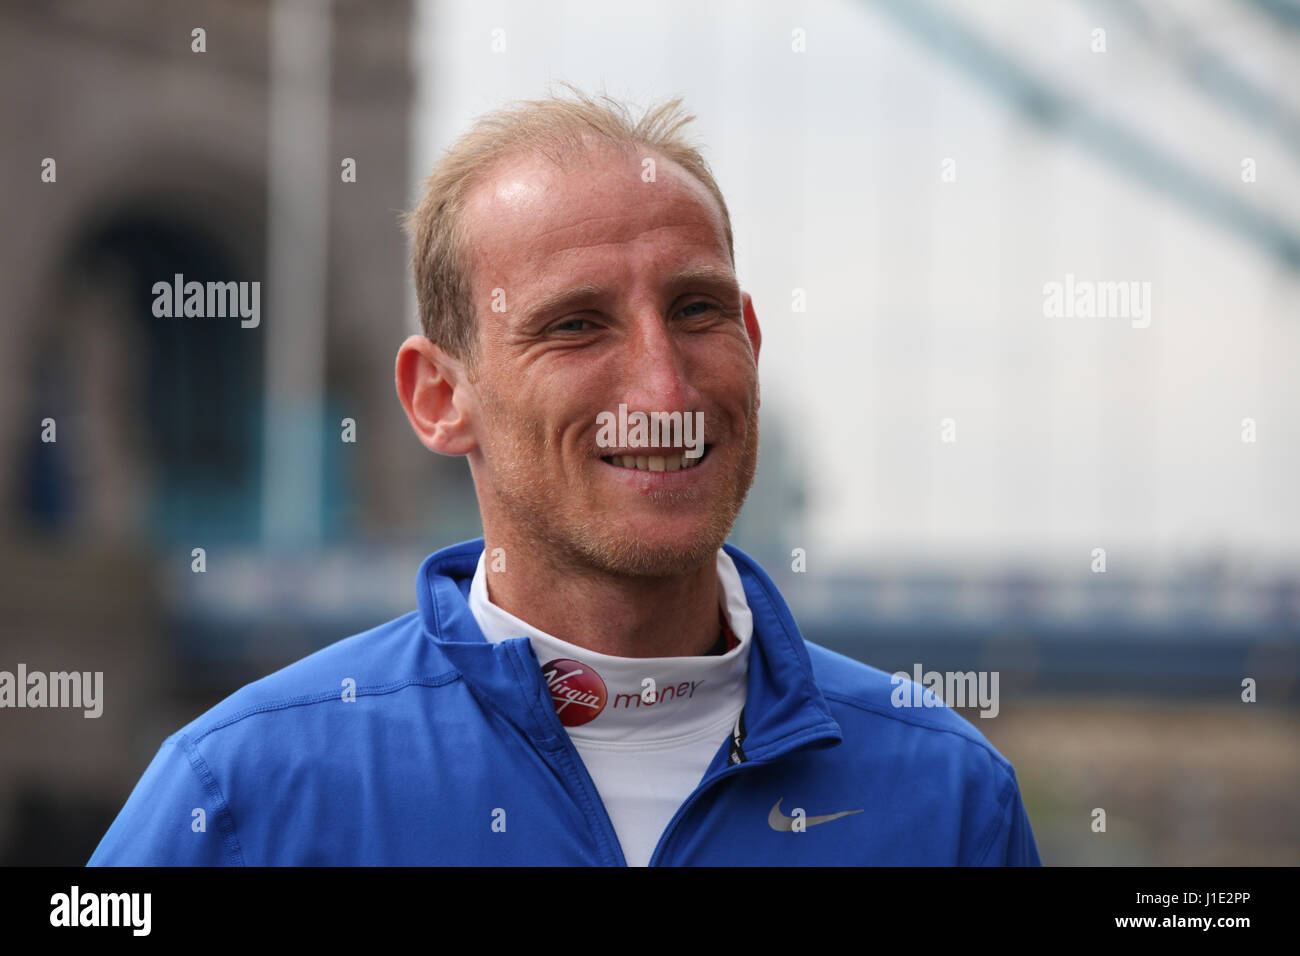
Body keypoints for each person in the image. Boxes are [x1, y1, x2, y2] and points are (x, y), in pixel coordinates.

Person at [88, 86, 1041, 866]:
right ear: (437, 397)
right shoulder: (243, 796)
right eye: (576, 325)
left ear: (750, 342)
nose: (664, 384)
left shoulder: (951, 799)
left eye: (697, 310)